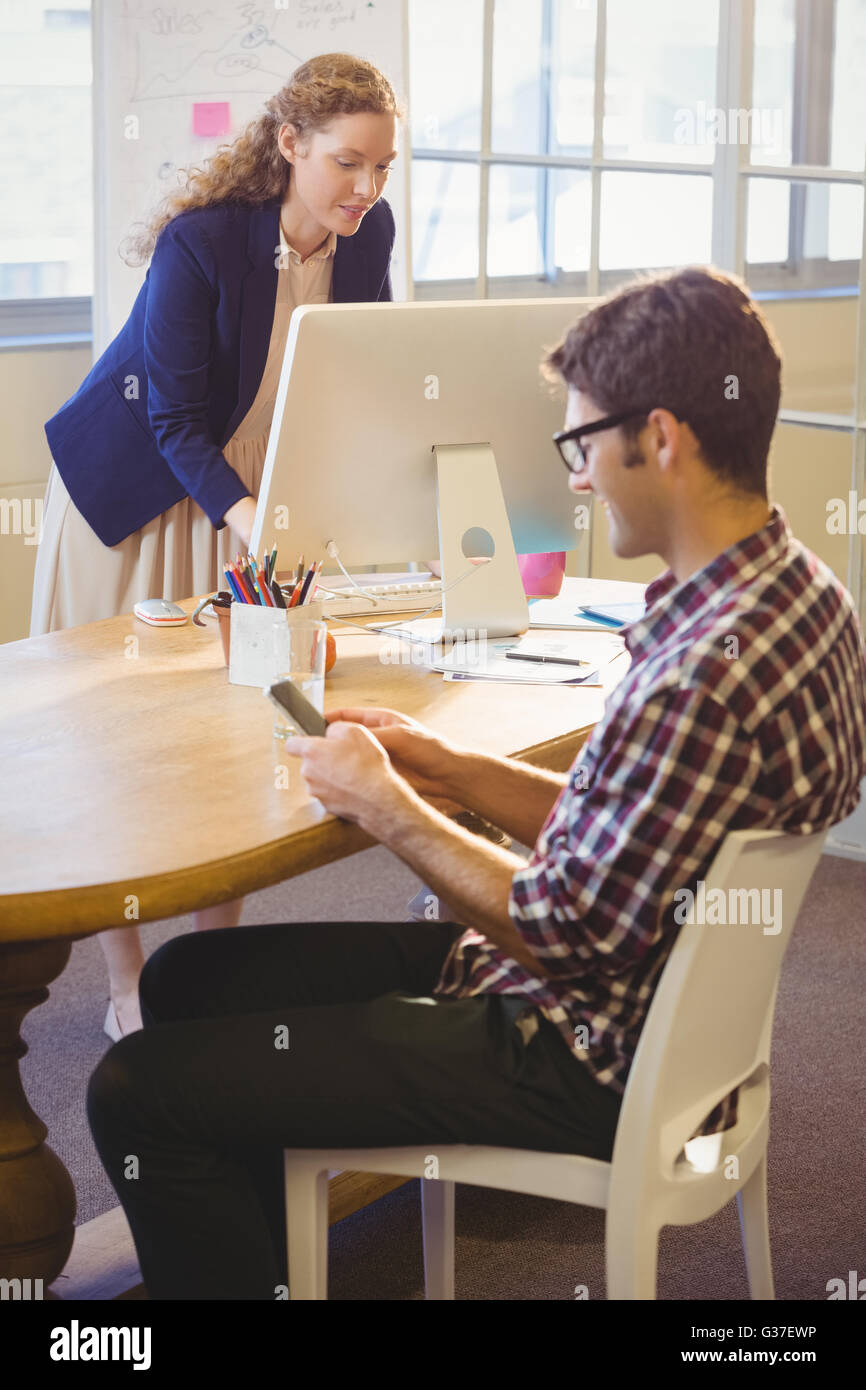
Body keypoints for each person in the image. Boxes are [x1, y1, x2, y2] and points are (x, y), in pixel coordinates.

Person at [87, 267, 866, 1300]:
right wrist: (446, 763)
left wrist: (385, 803)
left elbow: (557, 927)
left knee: (138, 1087)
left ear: (663, 437)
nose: (577, 479)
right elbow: (635, 832)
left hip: (573, 1045)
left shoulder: (697, 672)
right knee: (182, 984)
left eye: (581, 443)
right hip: (641, 1005)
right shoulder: (799, 598)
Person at [29, 53, 402, 1040]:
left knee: (240, 737)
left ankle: (198, 977)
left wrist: (320, 510)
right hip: (145, 496)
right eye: (346, 164)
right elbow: (175, 421)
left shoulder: (369, 237)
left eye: (382, 167)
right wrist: (260, 523)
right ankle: (125, 984)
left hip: (252, 502)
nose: (365, 189)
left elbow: (359, 378)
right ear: (289, 144)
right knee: (129, 754)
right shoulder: (200, 244)